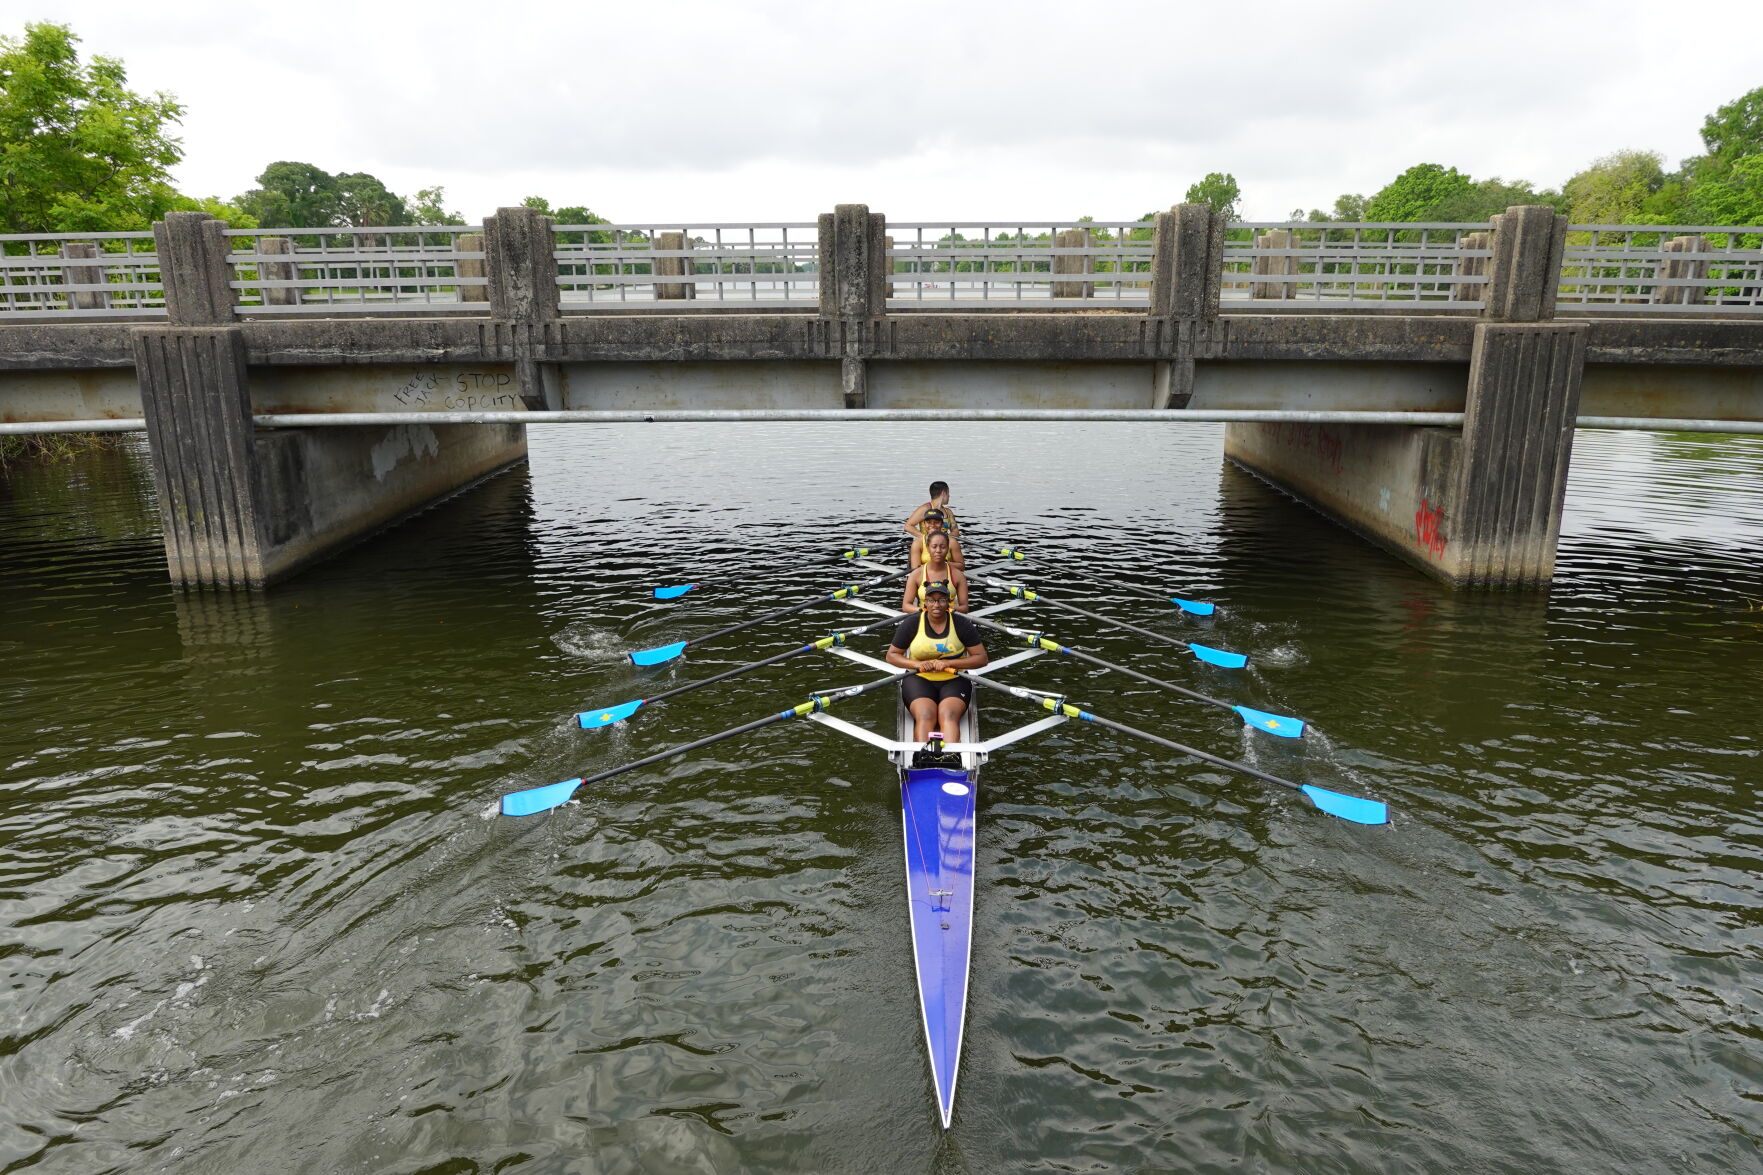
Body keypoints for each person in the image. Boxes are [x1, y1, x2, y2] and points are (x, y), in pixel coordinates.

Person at [886, 582, 988, 756]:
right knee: (926, 715)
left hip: (954, 680)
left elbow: (982, 658)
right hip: (919, 679)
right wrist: (916, 664)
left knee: (947, 715)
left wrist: (950, 664)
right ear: (924, 602)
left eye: (941, 600)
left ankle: (950, 756)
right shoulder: (912, 623)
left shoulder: (961, 624)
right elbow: (892, 655)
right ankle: (922, 756)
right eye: (931, 600)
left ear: (949, 602)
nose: (936, 605)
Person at [901, 527, 969, 614]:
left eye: (943, 547)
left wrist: (946, 609)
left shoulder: (958, 575)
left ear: (948, 548)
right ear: (928, 548)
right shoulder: (916, 574)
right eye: (934, 547)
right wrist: (926, 611)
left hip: (950, 617)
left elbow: (964, 608)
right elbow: (906, 606)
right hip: (923, 616)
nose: (938, 551)